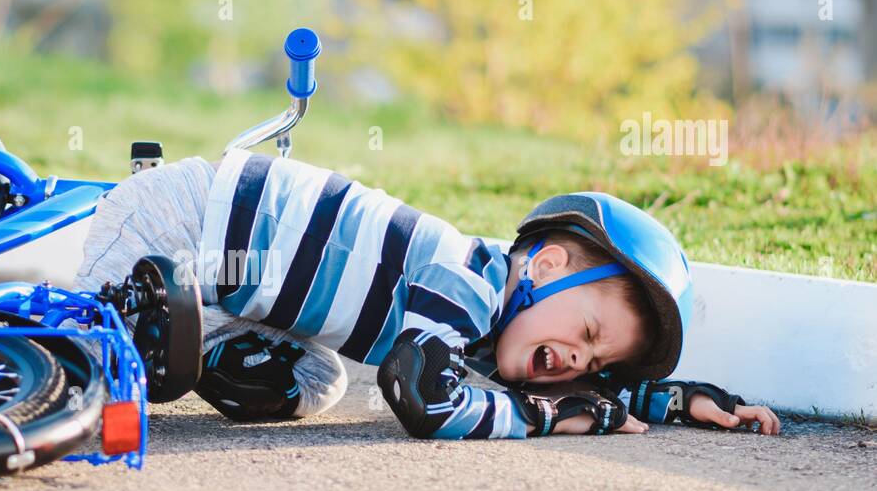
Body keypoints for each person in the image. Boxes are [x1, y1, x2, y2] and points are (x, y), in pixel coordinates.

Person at [74, 149, 781, 439]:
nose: (576, 361)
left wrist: (676, 399)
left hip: (235, 289)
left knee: (312, 384)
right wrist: (541, 415)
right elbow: (422, 392)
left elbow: (573, 385)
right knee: (82, 381)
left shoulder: (495, 320)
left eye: (595, 366)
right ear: (546, 265)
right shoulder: (467, 282)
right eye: (590, 336)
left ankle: (180, 338)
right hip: (185, 223)